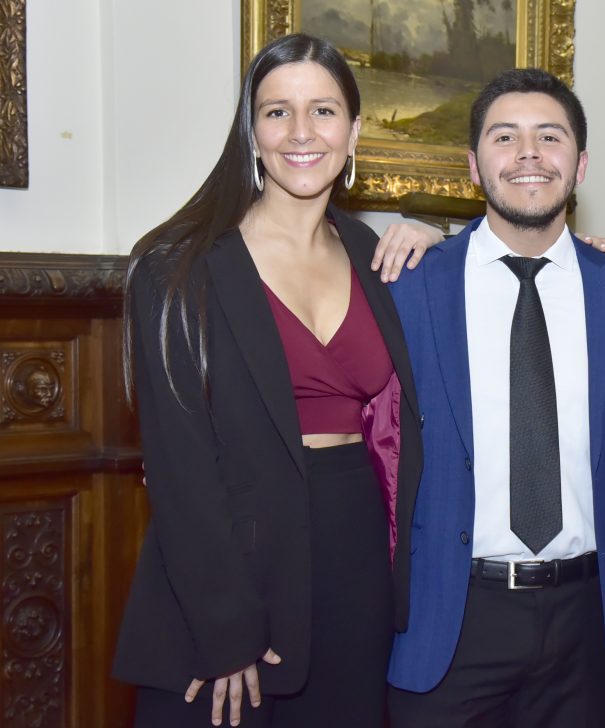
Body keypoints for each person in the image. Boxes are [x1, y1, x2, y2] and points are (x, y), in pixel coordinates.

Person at [113, 33, 443, 727]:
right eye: (277, 112)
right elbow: (179, 471)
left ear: (354, 132)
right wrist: (225, 626)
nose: (301, 133)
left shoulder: (378, 257)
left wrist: (442, 242)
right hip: (226, 576)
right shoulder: (177, 267)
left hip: (356, 571)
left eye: (323, 111)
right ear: (251, 131)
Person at [384, 68, 605, 727]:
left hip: (586, 628)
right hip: (451, 622)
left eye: (550, 136)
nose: (529, 153)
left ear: (582, 163)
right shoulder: (410, 289)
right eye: (505, 137)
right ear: (475, 167)